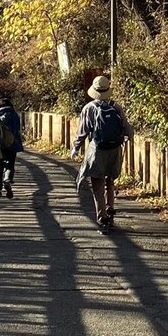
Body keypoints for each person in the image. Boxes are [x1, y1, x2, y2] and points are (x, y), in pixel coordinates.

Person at [70, 75, 132, 228]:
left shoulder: (89, 108)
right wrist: (127, 138)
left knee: (97, 183)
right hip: (115, 148)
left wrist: (76, 148)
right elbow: (126, 126)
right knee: (109, 181)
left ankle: (102, 216)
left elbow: (82, 132)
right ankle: (110, 207)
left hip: (98, 149)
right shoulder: (116, 106)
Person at [0, 97, 24, 198]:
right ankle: (7, 180)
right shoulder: (15, 115)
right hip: (12, 144)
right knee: (10, 165)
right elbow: (17, 130)